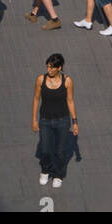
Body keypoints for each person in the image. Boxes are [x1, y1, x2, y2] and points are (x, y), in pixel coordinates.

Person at [33, 52, 79, 189]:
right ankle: (45, 170)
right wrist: (34, 120)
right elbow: (36, 99)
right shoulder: (41, 80)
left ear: (59, 68)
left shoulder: (67, 81)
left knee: (60, 151)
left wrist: (75, 122)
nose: (49, 70)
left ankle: (58, 174)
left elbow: (70, 101)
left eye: (52, 67)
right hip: (45, 120)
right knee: (45, 150)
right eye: (48, 67)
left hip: (62, 121)